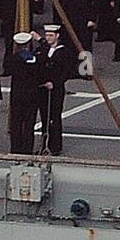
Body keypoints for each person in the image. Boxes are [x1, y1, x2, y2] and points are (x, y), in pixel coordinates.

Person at [6, 31, 43, 154]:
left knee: (16, 123)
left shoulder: (12, 59)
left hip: (17, 95)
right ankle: (27, 149)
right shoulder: (34, 58)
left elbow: (7, 67)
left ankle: (15, 148)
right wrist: (40, 40)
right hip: (32, 94)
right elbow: (41, 65)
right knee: (29, 124)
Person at [39, 24, 73, 155]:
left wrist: (55, 82)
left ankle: (55, 146)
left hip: (56, 89)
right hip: (43, 89)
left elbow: (66, 72)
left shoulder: (63, 52)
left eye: (51, 35)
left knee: (55, 117)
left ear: (57, 36)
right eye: (47, 35)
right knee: (44, 117)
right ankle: (44, 144)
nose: (48, 38)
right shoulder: (44, 49)